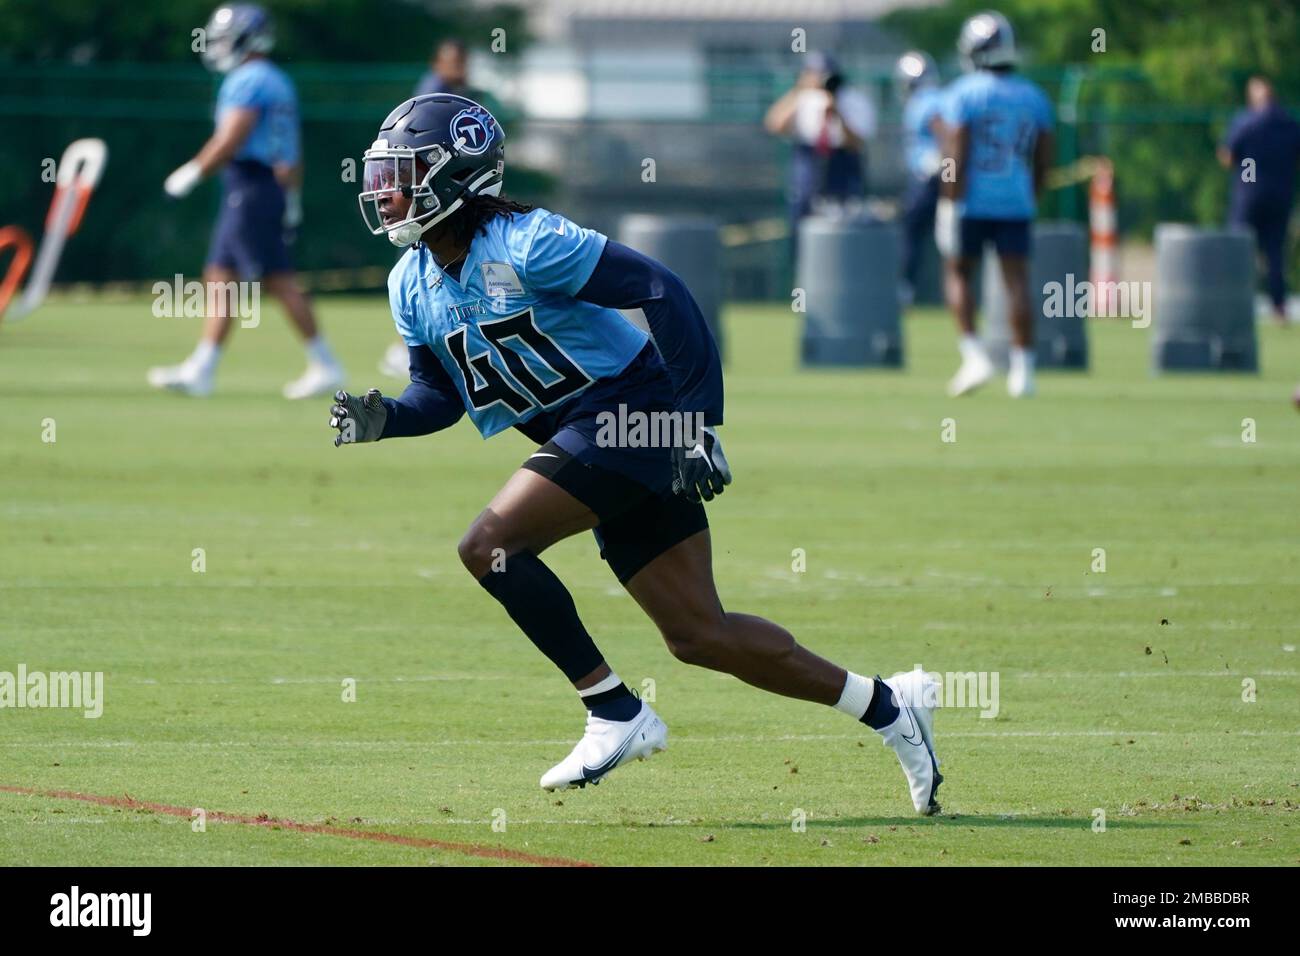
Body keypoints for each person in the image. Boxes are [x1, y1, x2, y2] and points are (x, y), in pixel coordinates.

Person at [330, 93, 944, 813]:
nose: (384, 192)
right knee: (699, 634)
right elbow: (438, 395)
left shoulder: (528, 242)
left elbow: (662, 289)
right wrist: (387, 421)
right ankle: (889, 706)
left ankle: (614, 710)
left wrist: (695, 424)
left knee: (488, 546)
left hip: (634, 412)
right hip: (589, 442)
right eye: (382, 176)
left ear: (455, 174)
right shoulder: (412, 283)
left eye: (403, 173)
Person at [150, 3, 343, 399]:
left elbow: (232, 137)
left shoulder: (250, 79)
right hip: (262, 186)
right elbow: (289, 148)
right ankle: (203, 366)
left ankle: (325, 364)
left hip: (251, 186)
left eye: (225, 37)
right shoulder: (275, 78)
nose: (218, 45)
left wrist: (192, 172)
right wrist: (290, 195)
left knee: (276, 279)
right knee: (221, 274)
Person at [935, 11, 1053, 398]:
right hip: (1016, 199)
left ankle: (975, 355)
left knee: (958, 272)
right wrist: (1031, 194)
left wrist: (949, 198)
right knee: (1017, 280)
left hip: (972, 201)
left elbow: (956, 152)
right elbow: (1044, 158)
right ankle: (1024, 370)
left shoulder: (965, 93)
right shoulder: (1034, 97)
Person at [379, 38, 499, 379]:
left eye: (462, 62)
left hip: (448, 198)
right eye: (453, 62)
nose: (459, 69)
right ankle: (409, 345)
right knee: (424, 272)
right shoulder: (436, 92)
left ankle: (417, 345)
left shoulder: (458, 93)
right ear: (438, 63)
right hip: (434, 199)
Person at [764, 52, 876, 262]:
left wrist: (837, 112)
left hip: (842, 163)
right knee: (802, 216)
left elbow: (857, 143)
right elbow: (774, 124)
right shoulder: (802, 100)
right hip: (809, 161)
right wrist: (800, 89)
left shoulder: (853, 100)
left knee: (844, 219)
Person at [1217, 76, 1300, 326]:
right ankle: (1279, 308)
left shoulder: (1246, 122)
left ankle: (1232, 302)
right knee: (1275, 252)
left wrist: (1248, 168)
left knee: (1238, 247)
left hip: (1249, 194)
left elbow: (1227, 156)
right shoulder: (1291, 125)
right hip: (1281, 195)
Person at [895, 50, 946, 305]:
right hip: (934, 177)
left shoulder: (928, 101)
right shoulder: (929, 99)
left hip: (931, 178)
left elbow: (944, 134)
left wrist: (941, 165)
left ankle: (906, 289)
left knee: (914, 231)